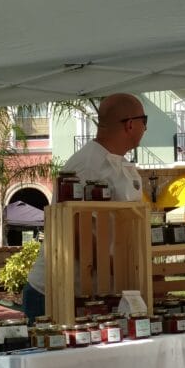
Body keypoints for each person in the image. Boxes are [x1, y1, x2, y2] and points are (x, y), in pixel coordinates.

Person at [22, 93, 147, 322]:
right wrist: (117, 270)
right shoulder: (86, 165)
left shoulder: (122, 165)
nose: (146, 128)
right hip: (58, 292)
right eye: (144, 121)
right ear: (130, 124)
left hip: (93, 292)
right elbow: (74, 230)